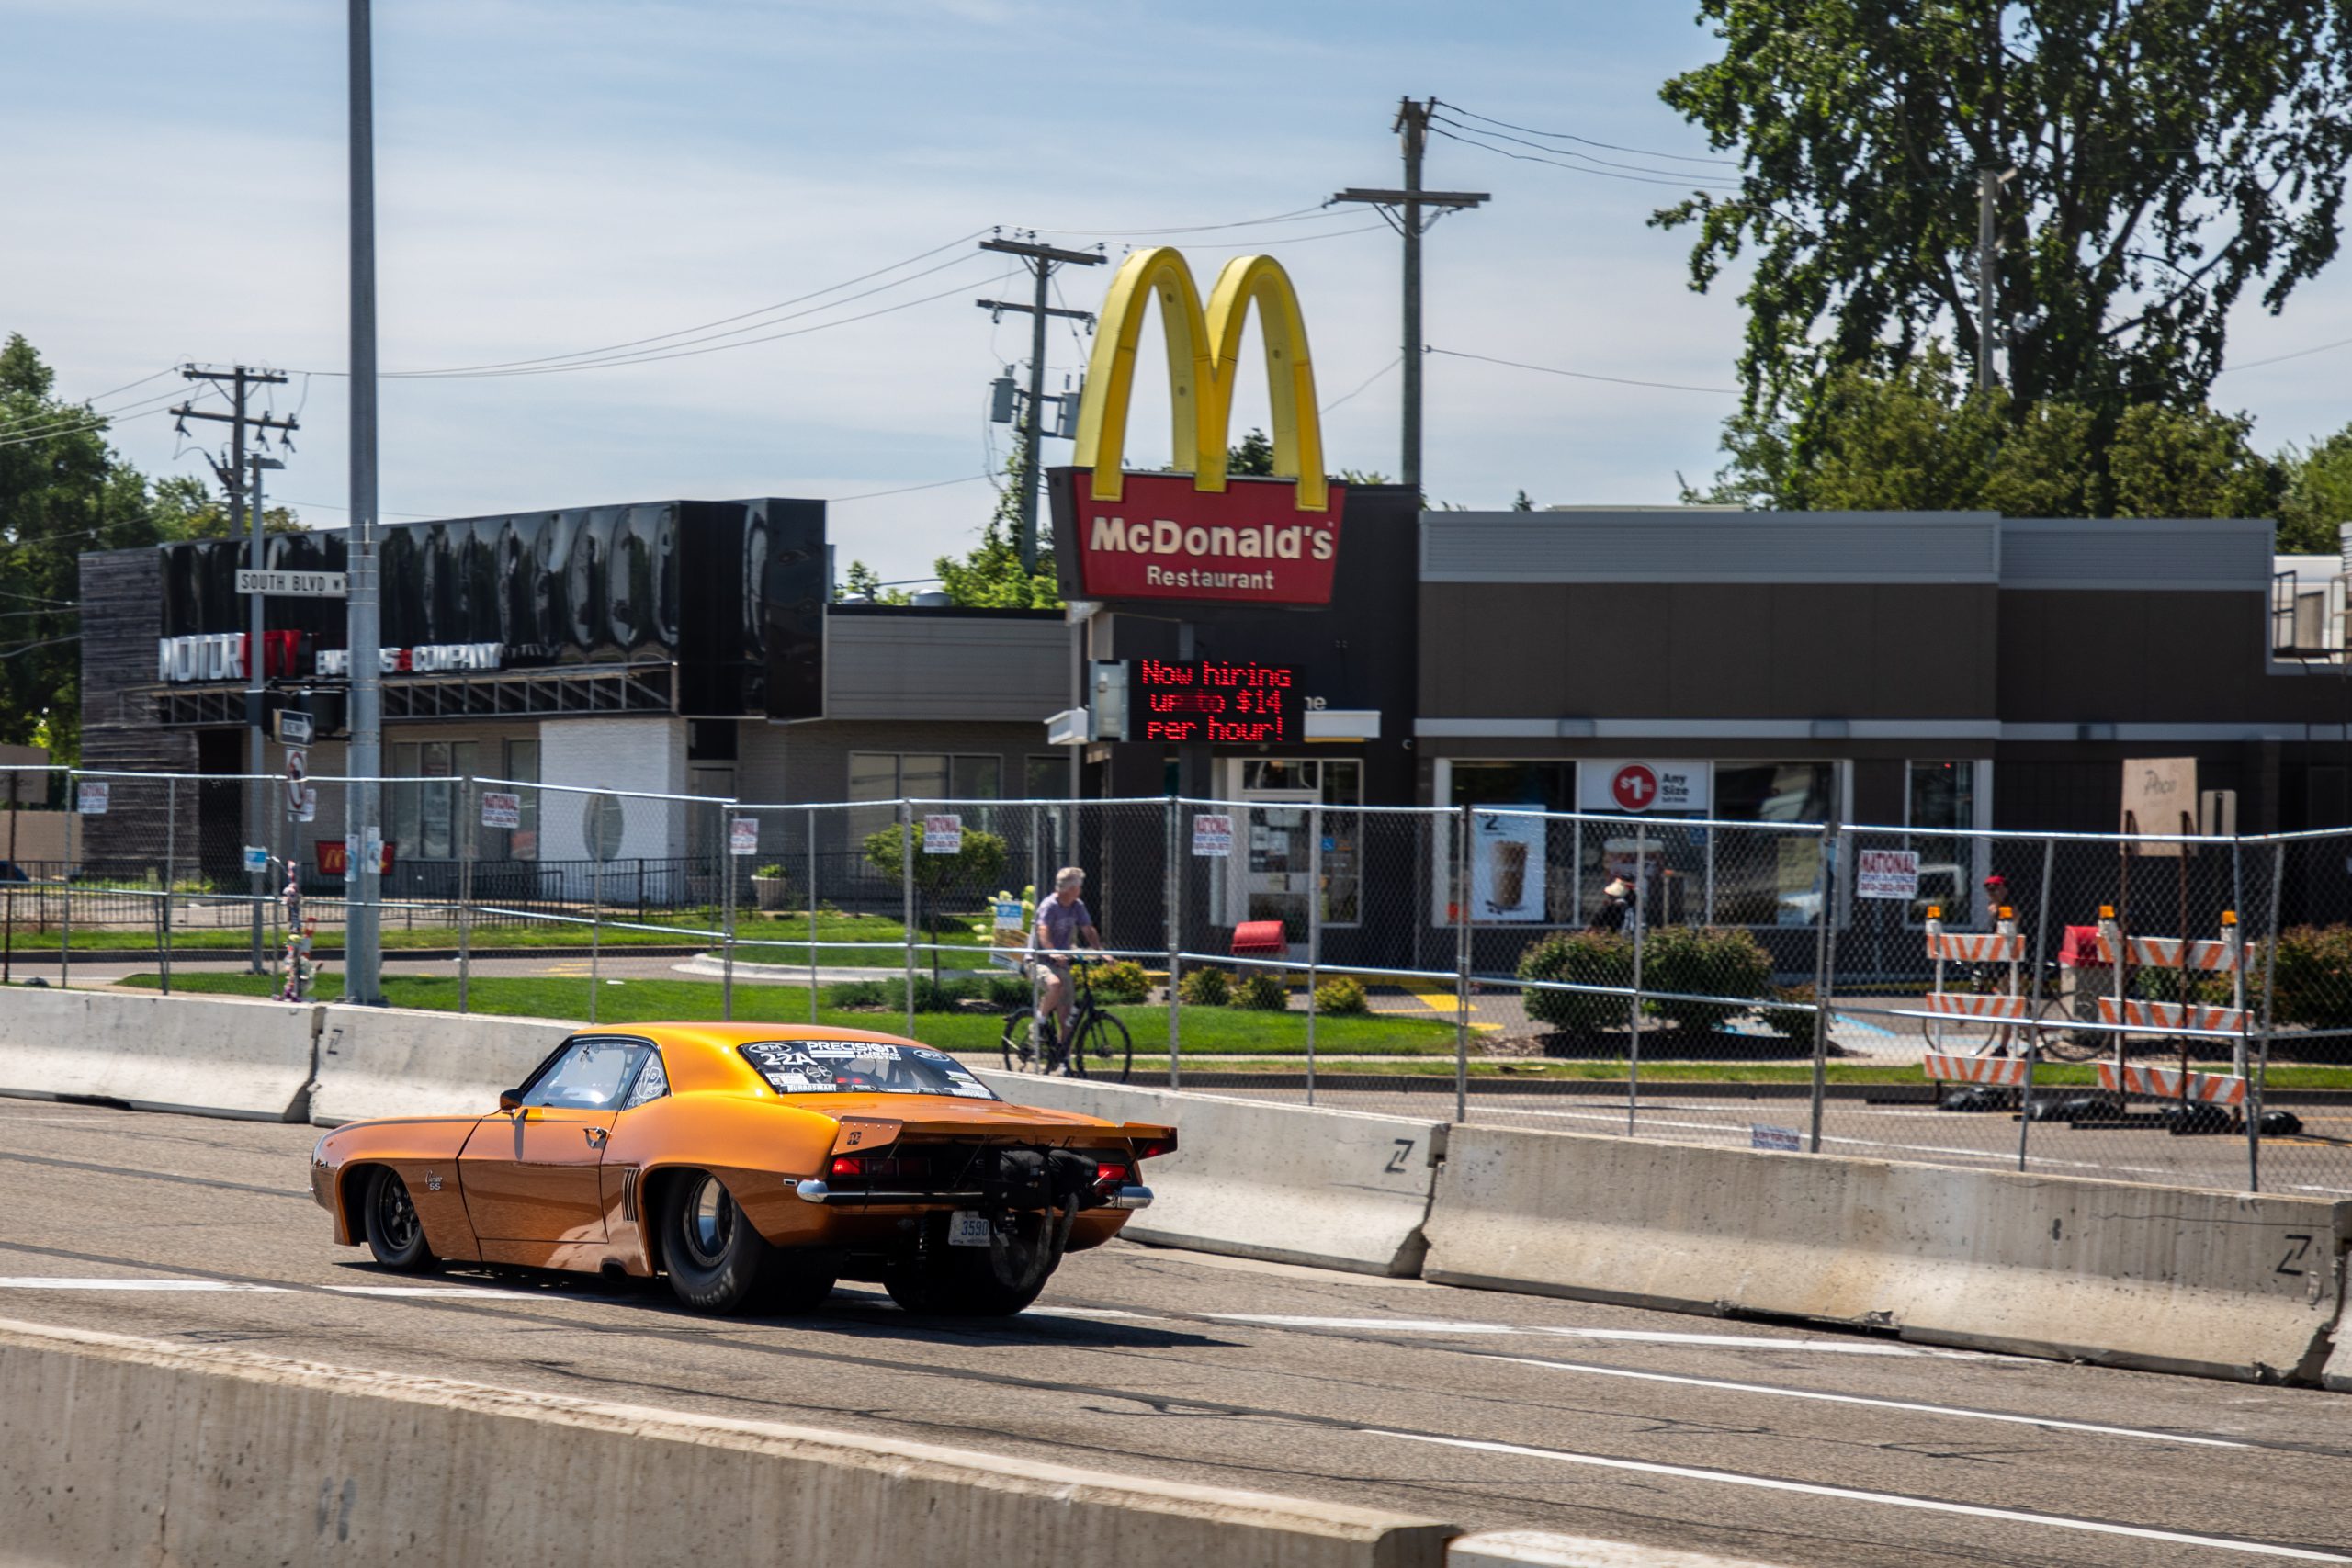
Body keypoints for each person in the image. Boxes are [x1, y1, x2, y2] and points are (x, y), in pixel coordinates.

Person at [1031, 866, 1102, 1045]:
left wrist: (1100, 952)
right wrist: (1052, 951)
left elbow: (1088, 929)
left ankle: (1064, 1057)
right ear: (1071, 888)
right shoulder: (1049, 905)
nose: (1080, 890)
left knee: (1067, 1019)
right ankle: (1038, 1022)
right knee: (1055, 984)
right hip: (1039, 960)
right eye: (1079, 886)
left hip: (1061, 964)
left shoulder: (1077, 905)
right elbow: (1043, 931)